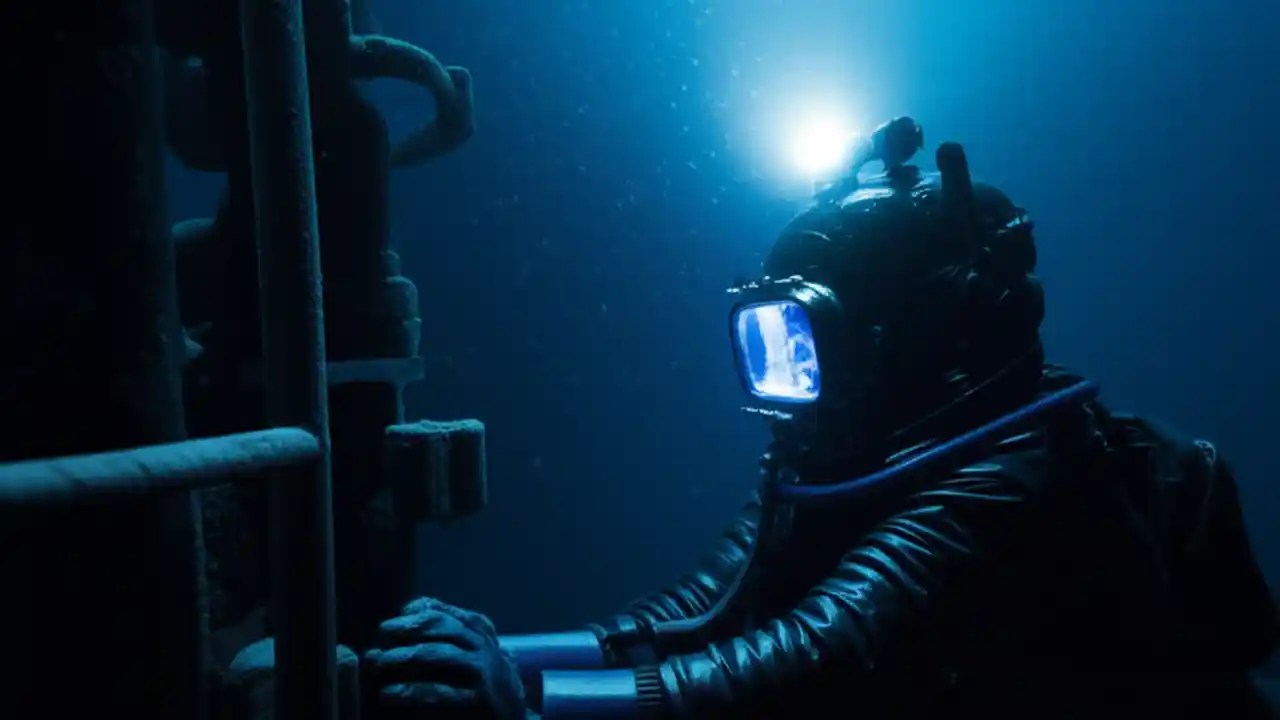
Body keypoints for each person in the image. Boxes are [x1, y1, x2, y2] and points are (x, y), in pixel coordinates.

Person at [363, 119, 1278, 719]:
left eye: (807, 341)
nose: (789, 375)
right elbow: (707, 608)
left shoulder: (1016, 474)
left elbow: (812, 655)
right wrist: (495, 653)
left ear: (909, 336)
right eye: (772, 342)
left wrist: (525, 707)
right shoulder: (854, 456)